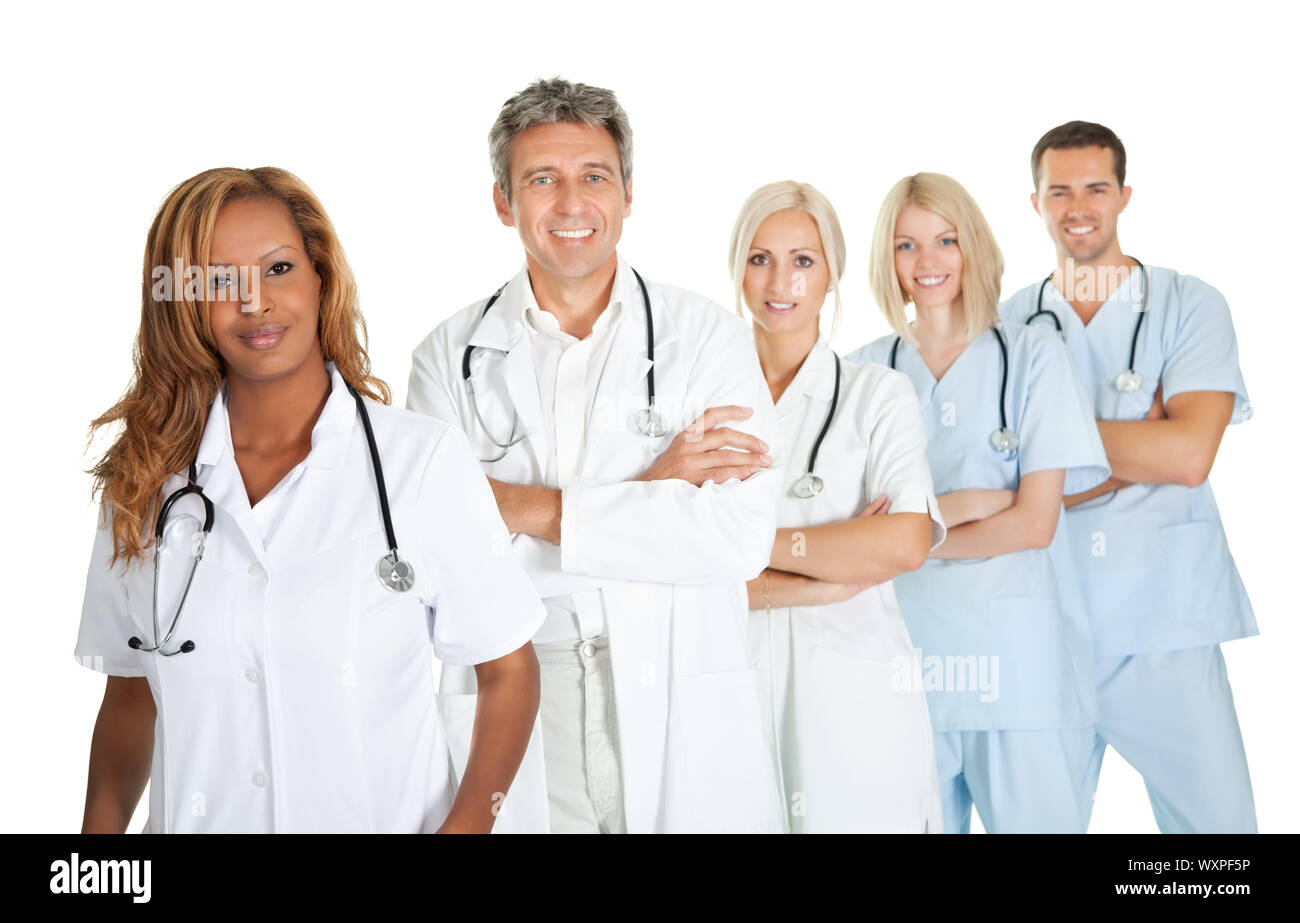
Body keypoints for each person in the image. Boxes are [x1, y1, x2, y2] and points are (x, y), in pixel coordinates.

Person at [76, 167, 544, 834]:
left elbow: (509, 669)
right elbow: (129, 696)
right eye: (218, 281)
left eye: (278, 267)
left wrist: (467, 827)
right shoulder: (144, 482)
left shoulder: (421, 462)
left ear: (320, 276)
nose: (255, 302)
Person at [407, 78, 787, 834]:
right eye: (541, 179)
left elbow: (737, 539)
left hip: (679, 680)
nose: (571, 204)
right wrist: (651, 487)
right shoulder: (446, 357)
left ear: (629, 193)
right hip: (520, 685)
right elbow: (437, 559)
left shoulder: (706, 337)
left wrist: (516, 505)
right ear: (503, 202)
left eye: (594, 177)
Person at [1000, 121, 1258, 833]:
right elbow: (993, 480)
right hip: (1045, 625)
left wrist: (1051, 452)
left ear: (1124, 196)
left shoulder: (1190, 305)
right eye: (1059, 191)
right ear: (1035, 203)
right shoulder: (1006, 322)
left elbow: (1188, 456)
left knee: (1218, 851)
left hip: (1166, 624)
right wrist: (1133, 444)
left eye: (1095, 188)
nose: (1077, 206)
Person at [850, 173, 1110, 834]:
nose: (928, 261)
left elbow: (1034, 522)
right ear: (888, 259)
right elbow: (849, 535)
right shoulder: (861, 374)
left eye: (945, 239)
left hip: (1017, 676)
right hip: (903, 675)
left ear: (973, 247)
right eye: (907, 245)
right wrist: (966, 504)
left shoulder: (1033, 356)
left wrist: (910, 535)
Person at [731, 181, 947, 832]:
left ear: (833, 273)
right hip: (730, 690)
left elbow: (906, 543)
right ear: (738, 269)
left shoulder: (877, 396)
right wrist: (833, 571)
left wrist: (742, 546)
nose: (781, 281)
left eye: (804, 260)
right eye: (760, 257)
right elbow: (672, 569)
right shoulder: (701, 399)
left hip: (854, 704)